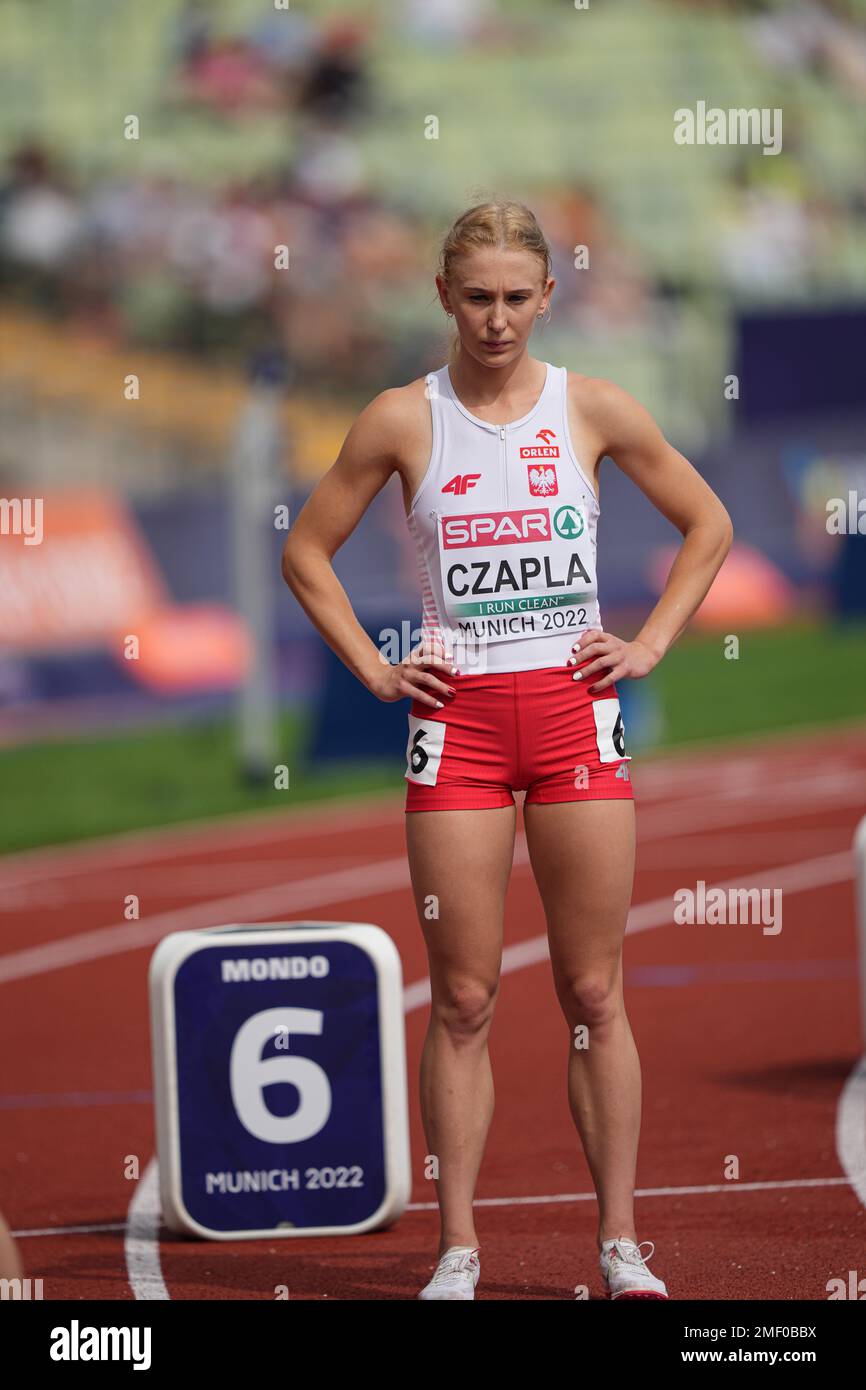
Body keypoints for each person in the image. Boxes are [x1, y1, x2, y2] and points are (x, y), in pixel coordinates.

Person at [281, 199, 733, 1300]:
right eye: (475, 297)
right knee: (465, 997)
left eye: (515, 298)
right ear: (442, 296)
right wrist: (377, 670)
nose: (495, 320)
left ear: (546, 297)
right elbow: (305, 550)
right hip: (459, 725)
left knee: (590, 987)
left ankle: (620, 1243)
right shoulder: (399, 418)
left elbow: (707, 523)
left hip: (574, 715)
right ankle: (459, 1248)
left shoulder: (591, 406)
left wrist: (652, 642)